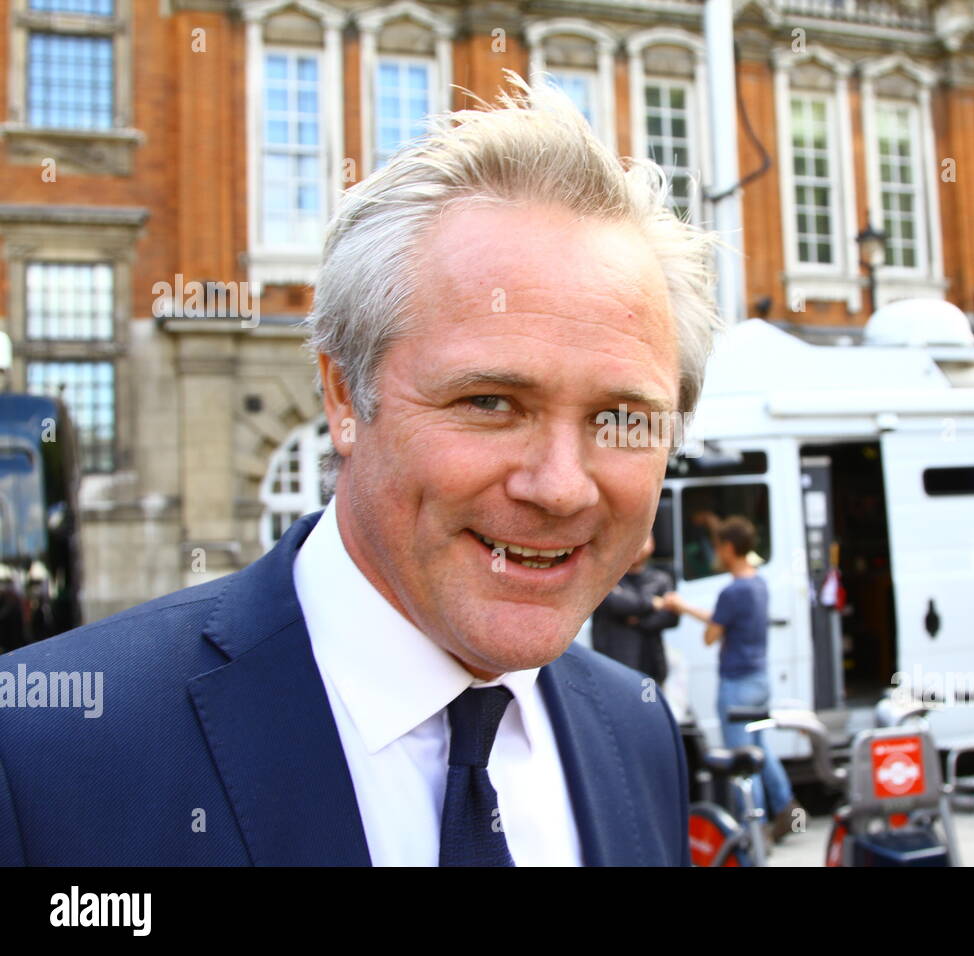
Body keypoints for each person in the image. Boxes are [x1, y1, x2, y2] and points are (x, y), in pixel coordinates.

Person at [0, 72, 726, 866]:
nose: (557, 485)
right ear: (345, 395)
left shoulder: (635, 730)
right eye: (490, 402)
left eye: (619, 419)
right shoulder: (47, 753)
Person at [663, 517, 802, 843]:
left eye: (718, 546)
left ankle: (756, 830)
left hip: (736, 683)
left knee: (741, 762)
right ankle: (787, 808)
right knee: (760, 750)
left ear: (728, 549)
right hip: (759, 680)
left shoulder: (732, 591)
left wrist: (684, 609)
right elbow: (722, 623)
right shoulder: (759, 583)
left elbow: (712, 635)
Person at [591, 533, 679, 685]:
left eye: (644, 538)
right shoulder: (606, 576)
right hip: (611, 670)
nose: (638, 544)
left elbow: (671, 616)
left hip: (650, 672)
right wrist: (651, 604)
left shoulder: (660, 579)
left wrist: (638, 620)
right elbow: (614, 603)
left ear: (653, 544)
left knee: (650, 705)